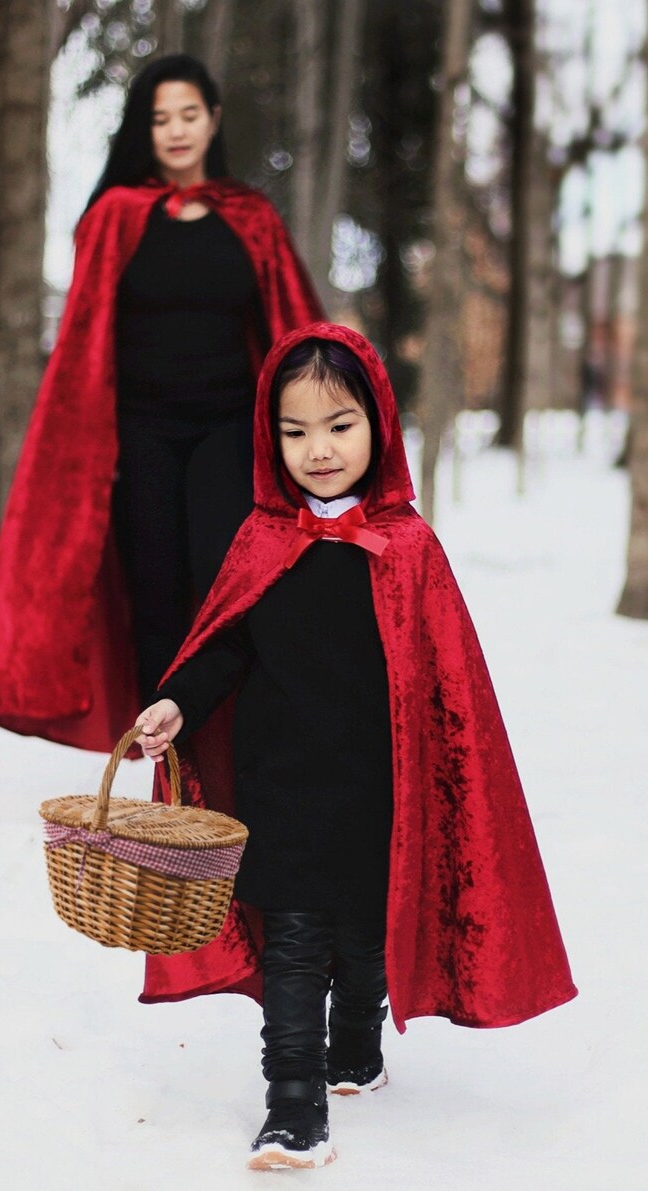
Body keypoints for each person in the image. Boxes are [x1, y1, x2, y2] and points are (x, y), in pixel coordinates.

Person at [134, 322, 577, 1171]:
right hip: (280, 787)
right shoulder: (261, 540)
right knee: (296, 940)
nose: (319, 449)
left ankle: (358, 1044)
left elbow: (447, 686)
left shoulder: (408, 547)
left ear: (378, 423)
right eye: (294, 432)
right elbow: (225, 646)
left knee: (368, 933)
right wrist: (177, 702)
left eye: (339, 425)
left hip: (381, 788)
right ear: (272, 440)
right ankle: (292, 1104)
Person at [0, 55, 322, 751]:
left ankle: (241, 745)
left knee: (227, 587)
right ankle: (172, 767)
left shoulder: (252, 220)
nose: (176, 130)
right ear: (143, 130)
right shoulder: (114, 218)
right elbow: (82, 346)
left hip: (228, 430)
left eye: (189, 114)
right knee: (156, 596)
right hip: (141, 435)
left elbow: (291, 328)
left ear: (213, 120)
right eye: (160, 119)